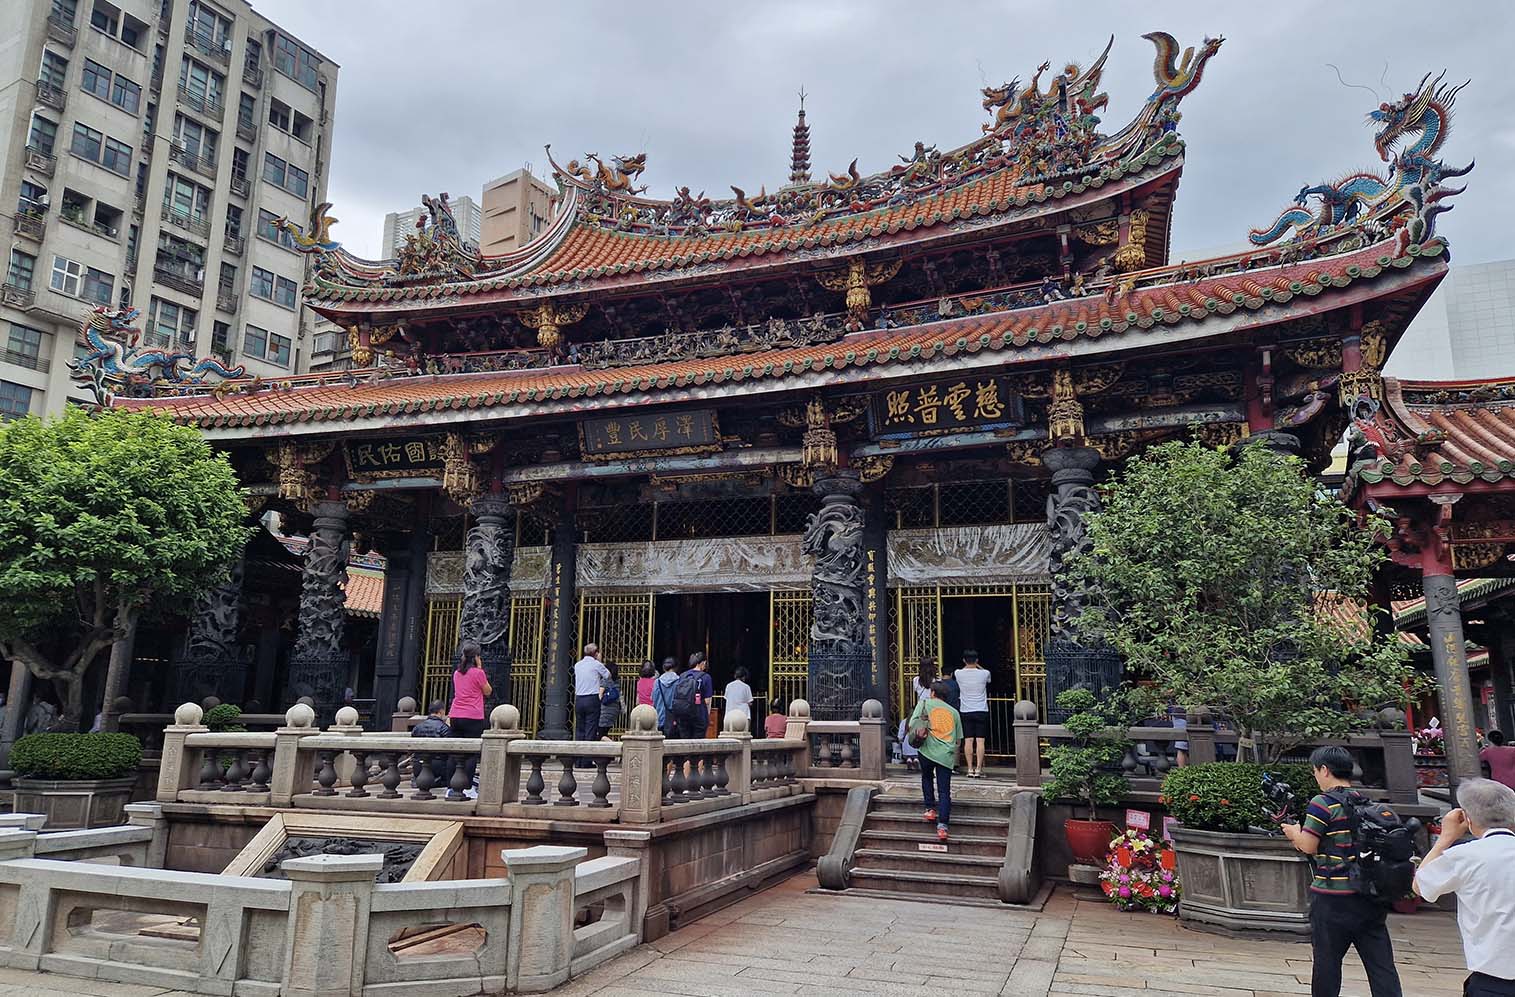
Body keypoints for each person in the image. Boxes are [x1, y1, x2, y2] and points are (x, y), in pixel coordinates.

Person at [1279, 745, 1404, 997]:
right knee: (1381, 966)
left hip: (1332, 899)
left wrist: (1293, 832)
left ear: (1324, 770)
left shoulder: (1322, 803)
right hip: (1369, 895)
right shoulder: (1366, 802)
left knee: (1327, 963)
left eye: (1315, 770)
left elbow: (1308, 846)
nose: (1315, 775)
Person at [1414, 778, 1515, 995]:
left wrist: (1446, 838)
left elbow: (1421, 886)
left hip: (1492, 979)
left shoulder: (1465, 856)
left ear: (1467, 818)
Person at [908, 680, 962, 842]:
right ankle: (943, 826)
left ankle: (930, 809)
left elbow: (912, 723)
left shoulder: (924, 703)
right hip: (945, 754)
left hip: (927, 751)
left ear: (932, 693)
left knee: (926, 777)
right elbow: (958, 739)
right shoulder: (954, 712)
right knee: (944, 791)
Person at [954, 650, 991, 778]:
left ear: (964, 660)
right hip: (981, 710)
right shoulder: (984, 673)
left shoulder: (958, 673)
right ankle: (979, 769)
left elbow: (962, 669)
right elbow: (989, 679)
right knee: (980, 741)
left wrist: (968, 664)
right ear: (977, 660)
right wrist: (978, 665)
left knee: (968, 740)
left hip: (966, 710)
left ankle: (970, 768)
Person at [573, 643, 611, 751]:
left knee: (580, 729)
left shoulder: (578, 665)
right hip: (592, 699)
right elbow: (608, 675)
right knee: (590, 729)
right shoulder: (596, 664)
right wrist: (599, 661)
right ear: (596, 653)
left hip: (579, 699)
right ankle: (586, 759)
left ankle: (578, 759)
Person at [652, 657, 679, 733]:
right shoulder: (679, 681)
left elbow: (654, 699)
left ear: (663, 668)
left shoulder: (657, 682)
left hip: (660, 717)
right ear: (676, 667)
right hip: (675, 719)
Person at [692, 652, 715, 737]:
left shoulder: (684, 675)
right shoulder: (706, 677)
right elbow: (707, 701)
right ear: (703, 662)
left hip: (685, 714)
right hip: (699, 715)